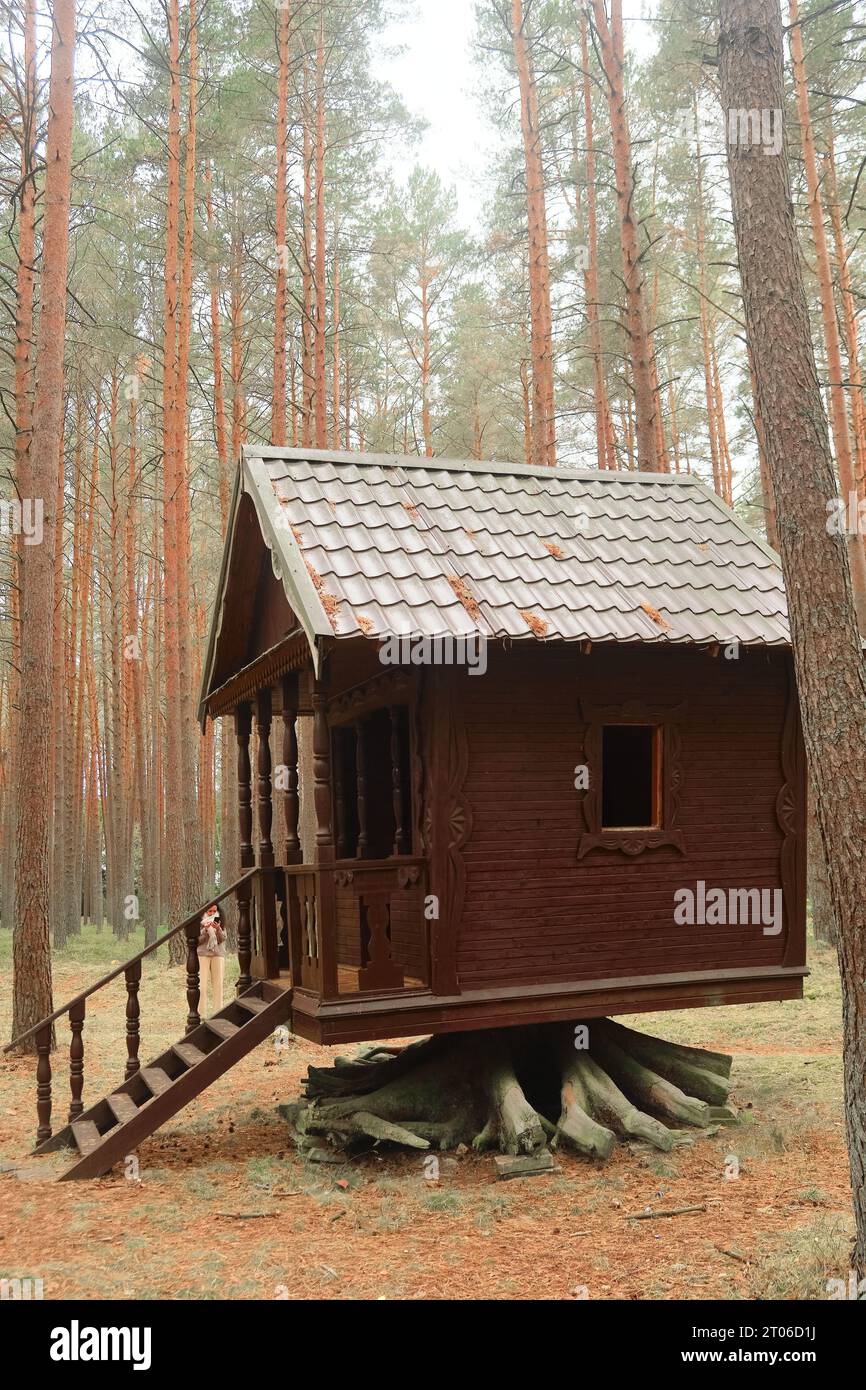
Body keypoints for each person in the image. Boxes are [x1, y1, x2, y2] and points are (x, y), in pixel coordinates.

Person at [197, 904, 226, 1015]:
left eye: (215, 911)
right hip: (203, 955)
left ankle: (218, 1013)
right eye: (210, 911)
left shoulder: (220, 921)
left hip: (218, 954)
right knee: (202, 986)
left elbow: (222, 939)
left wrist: (217, 929)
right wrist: (205, 930)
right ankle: (201, 1014)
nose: (212, 913)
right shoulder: (200, 923)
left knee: (218, 985)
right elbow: (197, 941)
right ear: (205, 911)